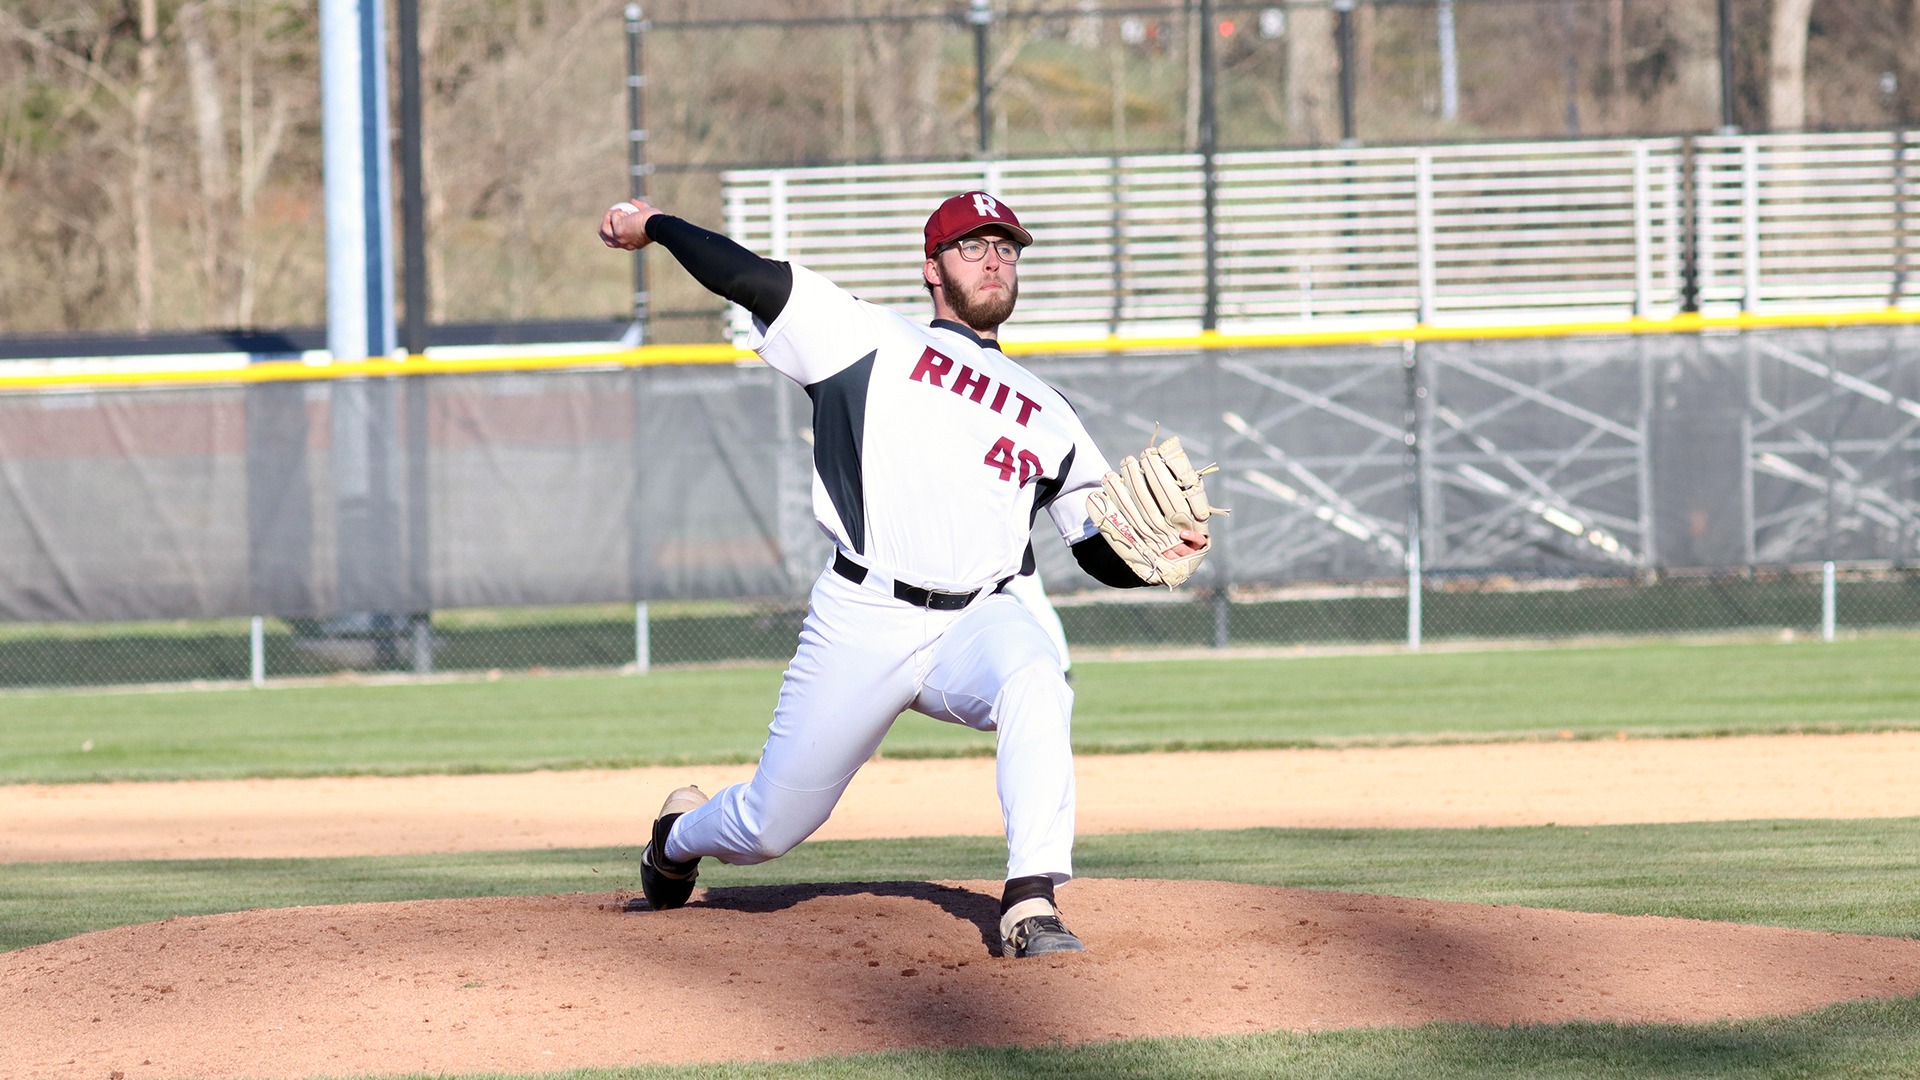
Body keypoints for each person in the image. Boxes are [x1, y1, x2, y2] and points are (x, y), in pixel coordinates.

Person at [597, 190, 1210, 958]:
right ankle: (678, 835)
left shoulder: (1049, 411)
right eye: (973, 247)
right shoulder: (864, 336)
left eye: (1007, 249)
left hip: (977, 620)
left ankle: (1031, 899)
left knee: (1036, 675)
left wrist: (1154, 564)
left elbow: (1093, 546)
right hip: (866, 613)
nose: (994, 261)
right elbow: (748, 278)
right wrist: (656, 225)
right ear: (932, 268)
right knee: (766, 827)